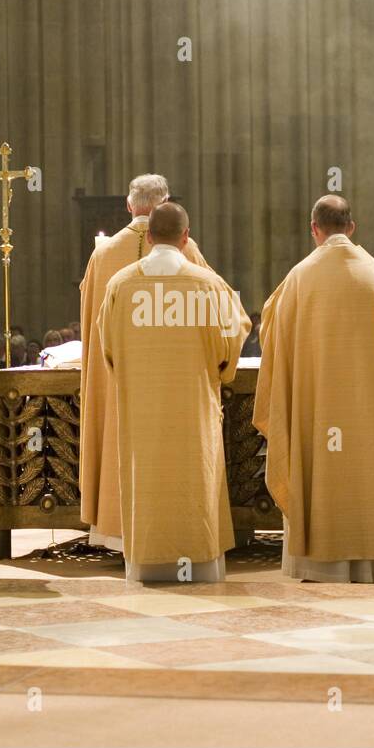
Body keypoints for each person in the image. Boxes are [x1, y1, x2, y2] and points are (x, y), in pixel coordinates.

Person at [254, 196, 374, 583]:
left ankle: (321, 565)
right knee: (369, 467)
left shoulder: (299, 278)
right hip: (372, 420)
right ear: (352, 227)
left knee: (320, 468)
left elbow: (272, 335)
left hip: (319, 421)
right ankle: (372, 562)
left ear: (314, 229)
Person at [96, 202, 248, 581]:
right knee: (194, 483)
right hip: (193, 414)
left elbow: (109, 350)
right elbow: (230, 346)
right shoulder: (208, 285)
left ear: (147, 237)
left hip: (142, 415)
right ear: (186, 237)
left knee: (147, 482)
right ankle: (197, 568)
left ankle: (148, 565)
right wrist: (219, 372)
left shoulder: (121, 285)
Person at [78, 173, 210, 552]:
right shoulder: (187, 250)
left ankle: (118, 533)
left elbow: (92, 320)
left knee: (119, 438)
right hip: (175, 379)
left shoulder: (103, 254)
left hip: (117, 377)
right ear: (166, 204)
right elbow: (215, 314)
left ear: (128, 204)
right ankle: (172, 532)